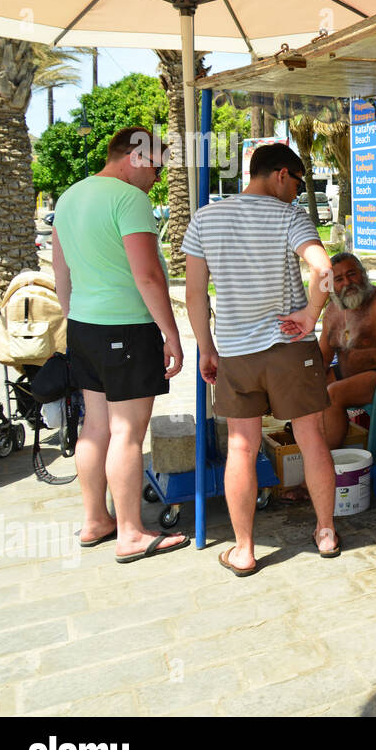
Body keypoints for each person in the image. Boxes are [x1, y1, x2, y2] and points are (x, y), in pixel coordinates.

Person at [183, 143, 338, 576]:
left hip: (235, 353)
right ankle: (325, 533)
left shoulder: (205, 219)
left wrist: (206, 347)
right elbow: (324, 271)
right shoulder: (289, 217)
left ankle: (246, 549)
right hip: (291, 350)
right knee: (312, 439)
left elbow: (195, 294)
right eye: (298, 183)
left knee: (241, 447)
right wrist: (310, 316)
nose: (298, 193)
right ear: (281, 175)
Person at [51, 126, 188, 563]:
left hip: (85, 327)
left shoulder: (69, 196)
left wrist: (77, 316)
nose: (157, 178)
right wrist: (171, 333)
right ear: (135, 157)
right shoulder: (130, 200)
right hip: (126, 328)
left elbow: (61, 271)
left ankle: (96, 520)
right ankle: (130, 532)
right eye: (155, 167)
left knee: (95, 427)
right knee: (127, 432)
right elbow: (147, 275)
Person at [313, 252, 376, 461]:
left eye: (351, 274)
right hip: (349, 375)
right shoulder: (332, 312)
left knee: (333, 394)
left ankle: (323, 465)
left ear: (363, 274)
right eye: (339, 279)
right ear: (331, 285)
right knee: (307, 389)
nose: (347, 282)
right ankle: (307, 455)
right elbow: (322, 359)